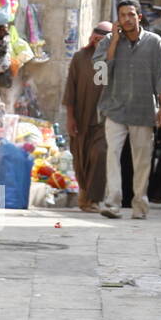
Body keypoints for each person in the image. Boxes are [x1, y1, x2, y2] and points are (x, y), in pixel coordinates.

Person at [96, 0, 161, 221]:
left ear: (139, 17)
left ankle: (140, 204)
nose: (127, 19)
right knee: (113, 154)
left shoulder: (155, 42)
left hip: (143, 109)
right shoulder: (109, 41)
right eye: (122, 15)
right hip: (115, 107)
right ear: (118, 20)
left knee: (142, 160)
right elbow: (100, 74)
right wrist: (114, 42)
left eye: (131, 14)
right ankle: (112, 201)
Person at [62, 21, 113, 213]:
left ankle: (93, 199)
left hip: (104, 119)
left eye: (104, 35)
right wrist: (70, 117)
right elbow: (70, 90)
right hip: (81, 117)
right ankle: (84, 194)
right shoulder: (80, 58)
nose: (98, 37)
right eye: (96, 33)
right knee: (80, 157)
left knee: (99, 154)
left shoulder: (113, 60)